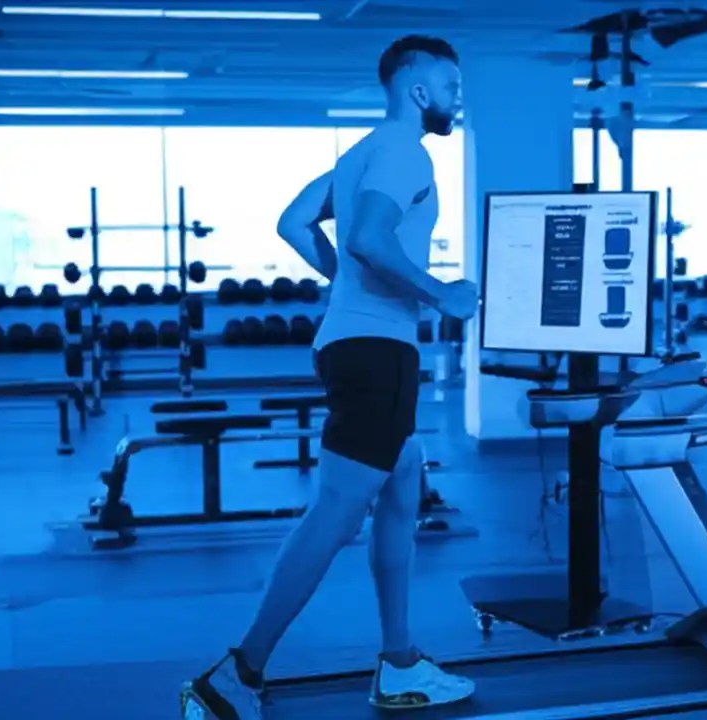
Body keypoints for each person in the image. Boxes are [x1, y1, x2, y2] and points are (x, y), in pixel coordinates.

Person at [181, 34, 480, 719]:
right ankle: (236, 675)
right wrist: (442, 294)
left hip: (352, 340)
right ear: (417, 89)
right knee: (337, 512)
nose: (458, 96)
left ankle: (400, 662)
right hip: (378, 353)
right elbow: (369, 239)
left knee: (404, 485)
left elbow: (293, 223)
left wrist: (349, 287)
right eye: (451, 83)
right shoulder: (407, 151)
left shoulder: (358, 157)